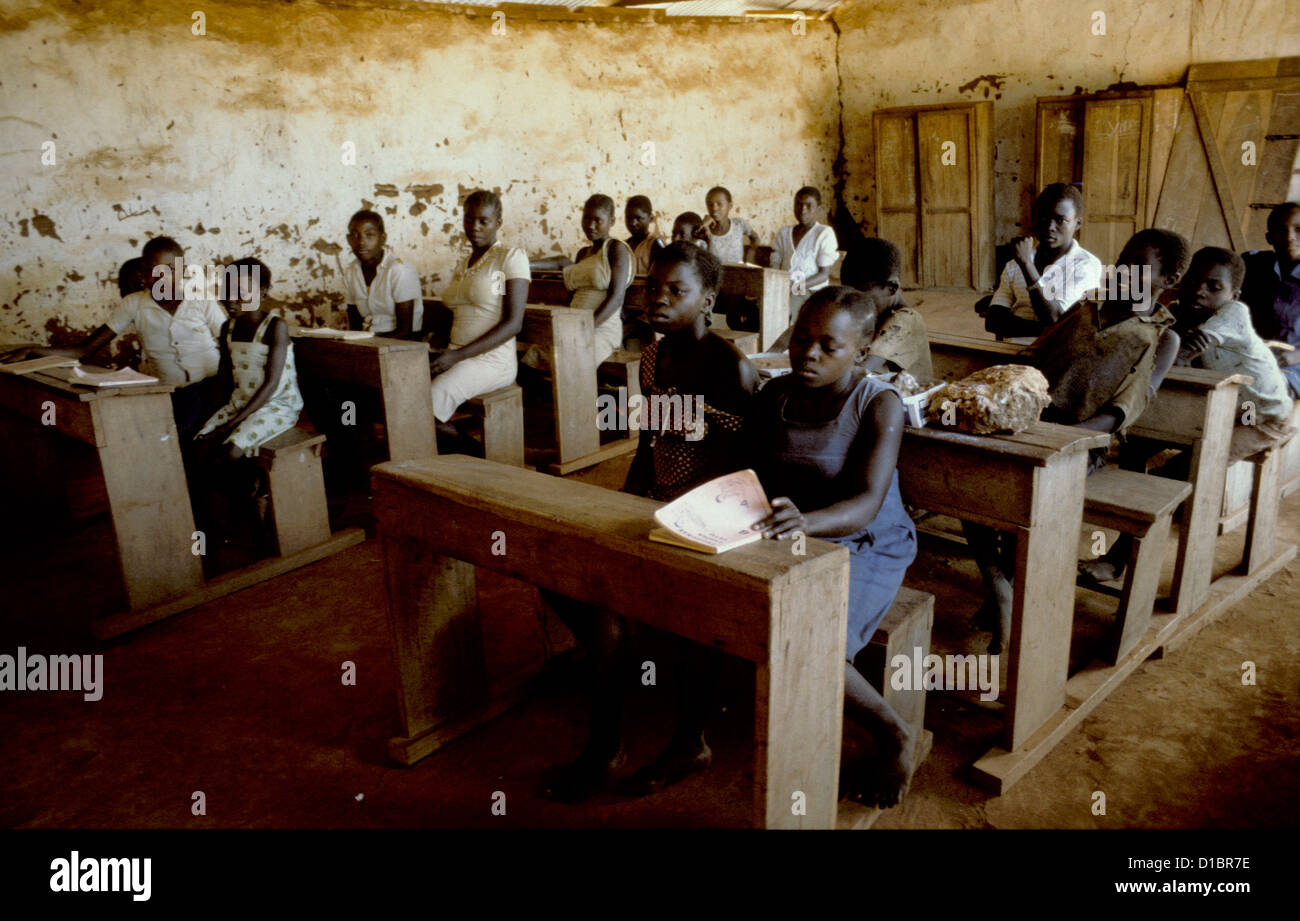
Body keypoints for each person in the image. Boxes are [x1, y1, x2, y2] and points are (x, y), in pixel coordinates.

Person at [538, 243, 757, 803]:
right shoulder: (654, 359)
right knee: (566, 571)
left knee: (670, 611)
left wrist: (691, 516)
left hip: (717, 517)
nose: (658, 299)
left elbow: (746, 463)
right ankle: (612, 723)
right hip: (662, 503)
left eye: (676, 291)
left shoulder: (729, 366)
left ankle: (683, 740)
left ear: (707, 300)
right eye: (653, 287)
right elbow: (648, 441)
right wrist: (627, 506)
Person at [968, 229, 1188, 649]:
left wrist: (1055, 438)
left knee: (1020, 494)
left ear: (1170, 280)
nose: (1123, 271)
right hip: (1028, 422)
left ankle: (1010, 590)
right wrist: (997, 397)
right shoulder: (1085, 309)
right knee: (969, 474)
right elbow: (1031, 357)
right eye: (1122, 260)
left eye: (1138, 267)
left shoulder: (1161, 337)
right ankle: (1000, 586)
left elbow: (1120, 412)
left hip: (1079, 443)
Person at [750, 286, 918, 808]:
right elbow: (751, 473)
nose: (808, 354)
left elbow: (867, 503)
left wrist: (805, 523)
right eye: (801, 339)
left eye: (829, 345)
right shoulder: (774, 395)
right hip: (792, 532)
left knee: (814, 641)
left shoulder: (878, 403)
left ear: (860, 353)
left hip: (866, 542)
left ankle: (893, 733)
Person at [1083, 247, 1295, 582]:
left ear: (1233, 294)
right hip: (1221, 410)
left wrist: (1162, 353)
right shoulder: (1178, 310)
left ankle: (1118, 559)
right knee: (1136, 446)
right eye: (1195, 281)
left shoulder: (1233, 313)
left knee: (1173, 474)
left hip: (1264, 419)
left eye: (1214, 286)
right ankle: (1134, 512)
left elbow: (1186, 349)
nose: (1200, 290)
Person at [57, 236, 227, 441]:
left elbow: (231, 346)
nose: (158, 278)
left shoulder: (202, 301)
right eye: (150, 270)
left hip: (212, 387)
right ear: (143, 272)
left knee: (185, 428)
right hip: (169, 395)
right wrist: (33, 351)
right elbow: (84, 350)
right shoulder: (133, 304)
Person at [193, 259, 303, 544]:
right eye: (225, 289)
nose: (230, 298)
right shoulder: (228, 328)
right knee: (199, 447)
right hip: (240, 402)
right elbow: (225, 381)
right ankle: (247, 499)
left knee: (231, 451)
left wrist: (232, 423)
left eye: (240, 290)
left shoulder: (275, 326)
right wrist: (210, 419)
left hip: (276, 405)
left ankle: (255, 507)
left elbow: (271, 384)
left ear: (263, 292)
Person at [429, 190, 528, 427]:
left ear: (498, 223)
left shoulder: (510, 258)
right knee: (404, 391)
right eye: (469, 219)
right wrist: (435, 346)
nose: (475, 227)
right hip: (456, 353)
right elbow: (454, 312)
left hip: (491, 361)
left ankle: (473, 457)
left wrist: (457, 356)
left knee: (426, 406)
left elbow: (514, 324)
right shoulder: (464, 264)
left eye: (484, 221)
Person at [980, 183, 1102, 340]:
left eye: (1060, 220)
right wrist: (1051, 331)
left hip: (1055, 359)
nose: (1050, 226)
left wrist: (1026, 265)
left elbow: (1052, 317)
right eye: (1044, 217)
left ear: (1077, 224)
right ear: (1034, 219)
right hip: (1011, 354)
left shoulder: (1086, 265)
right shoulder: (1014, 264)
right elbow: (994, 322)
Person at [528, 194, 632, 367]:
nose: (590, 226)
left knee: (572, 357)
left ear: (611, 221)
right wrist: (567, 326)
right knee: (536, 353)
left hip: (601, 328)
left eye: (598, 220)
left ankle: (575, 393)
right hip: (575, 325)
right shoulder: (583, 253)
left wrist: (586, 327)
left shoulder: (616, 249)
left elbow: (617, 298)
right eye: (586, 218)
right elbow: (573, 295)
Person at [841, 236, 933, 381]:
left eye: (863, 298)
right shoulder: (878, 316)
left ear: (892, 288)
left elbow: (862, 370)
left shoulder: (907, 319)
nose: (856, 306)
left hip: (910, 400)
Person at [1240, 201, 1300, 397]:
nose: (1290, 237)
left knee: (1266, 389)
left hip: (1293, 365)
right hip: (1248, 357)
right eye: (1280, 231)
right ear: (1269, 237)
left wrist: (1295, 356)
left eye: (1299, 230)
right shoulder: (1253, 265)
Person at [342, 209, 423, 338]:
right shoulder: (351, 272)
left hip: (400, 343)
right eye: (355, 235)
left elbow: (406, 331)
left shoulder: (399, 270)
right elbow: (355, 323)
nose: (362, 242)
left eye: (369, 235)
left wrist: (369, 344)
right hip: (366, 339)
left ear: (383, 238)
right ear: (348, 239)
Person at [771, 186, 839, 319]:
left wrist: (794, 287)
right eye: (798, 204)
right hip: (784, 288)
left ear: (818, 209)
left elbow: (823, 275)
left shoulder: (824, 233)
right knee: (764, 306)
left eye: (809, 205)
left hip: (811, 290)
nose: (803, 210)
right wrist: (777, 286)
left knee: (786, 310)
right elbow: (775, 266)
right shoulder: (784, 233)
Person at [697, 186, 759, 265]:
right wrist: (703, 227)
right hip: (715, 276)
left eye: (719, 204)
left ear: (730, 206)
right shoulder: (705, 230)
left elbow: (755, 238)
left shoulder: (739, 224)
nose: (714, 208)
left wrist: (750, 258)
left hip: (737, 274)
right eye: (710, 204)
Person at [624, 195, 665, 276]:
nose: (633, 223)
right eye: (629, 218)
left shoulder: (654, 244)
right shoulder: (624, 245)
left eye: (639, 218)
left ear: (650, 218)